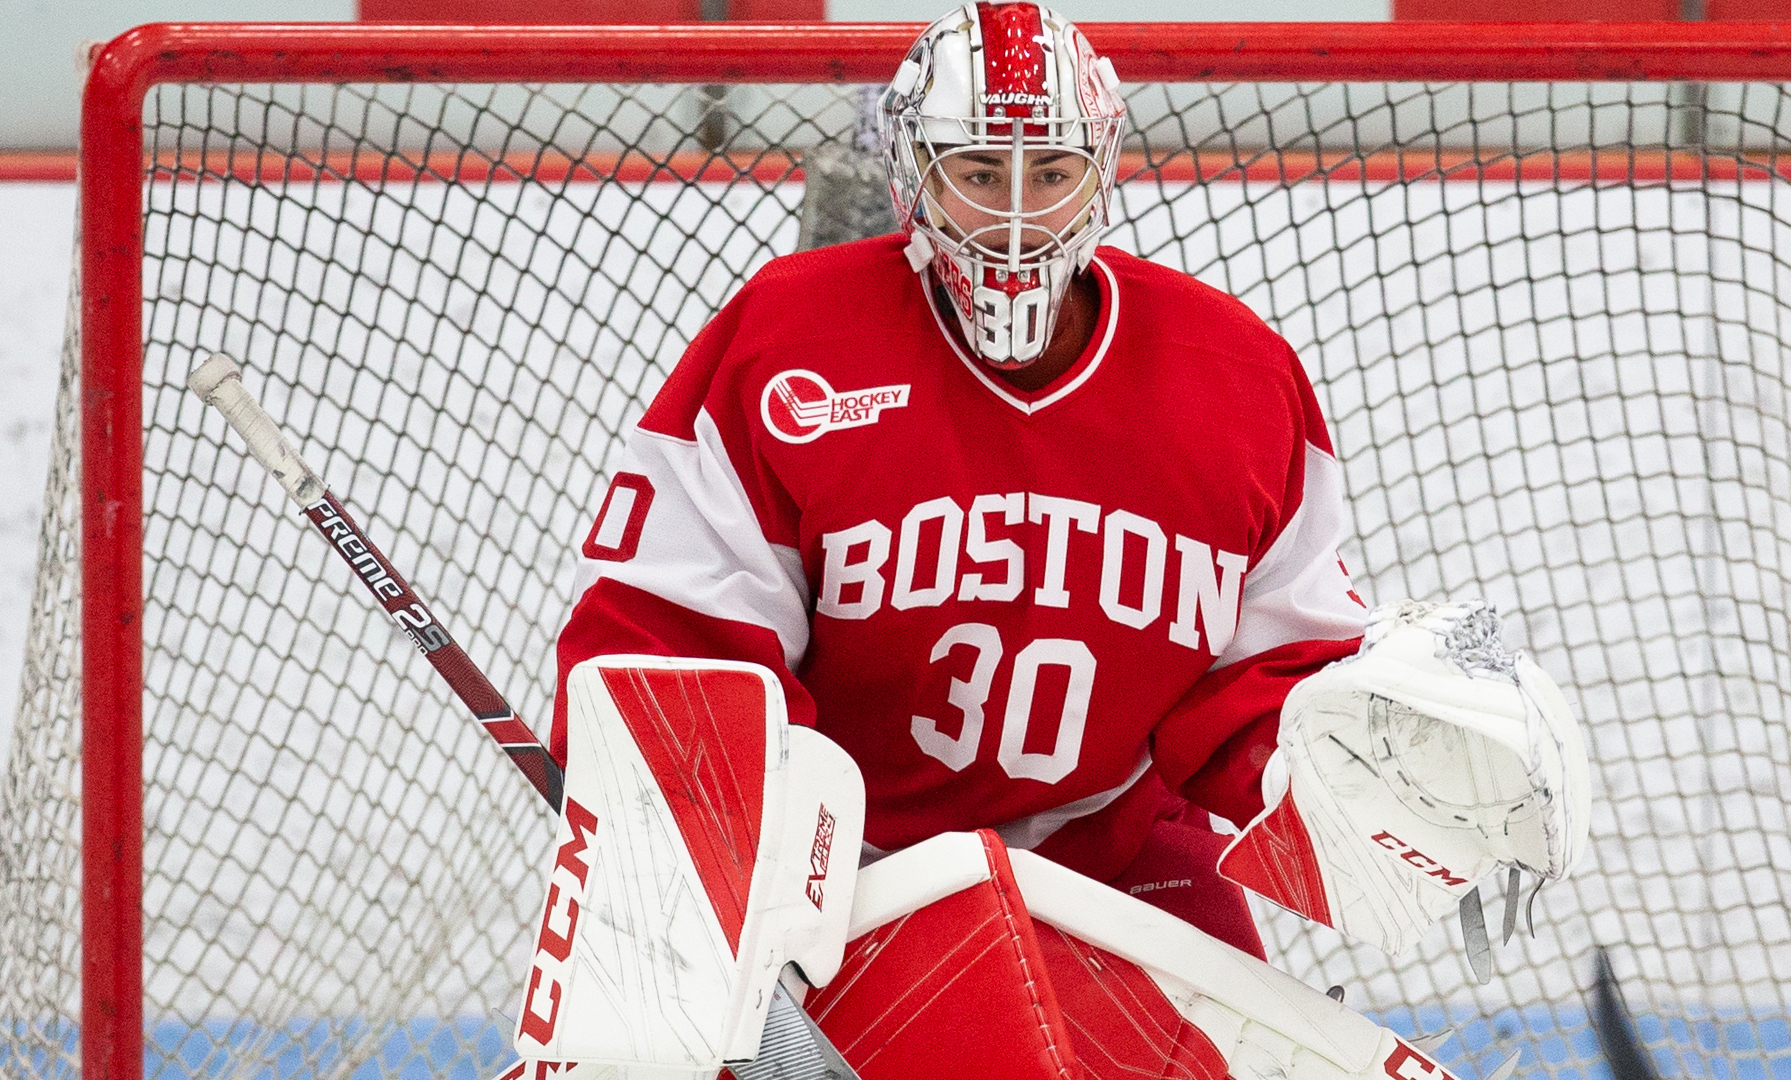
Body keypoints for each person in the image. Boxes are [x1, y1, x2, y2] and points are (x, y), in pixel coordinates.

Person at [551, 0, 1586, 963]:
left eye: (1049, 173)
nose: (1013, 217)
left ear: (1102, 172)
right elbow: (671, 638)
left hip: (1119, 861)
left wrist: (1337, 787)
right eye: (976, 170)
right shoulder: (790, 341)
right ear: (912, 174)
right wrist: (714, 845)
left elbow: (1265, 671)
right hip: (838, 871)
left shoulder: (1234, 375)